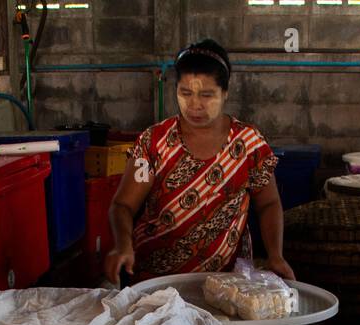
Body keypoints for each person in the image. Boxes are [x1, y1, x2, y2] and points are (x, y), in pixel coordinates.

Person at [103, 39, 294, 285]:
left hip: (223, 283)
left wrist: (275, 255)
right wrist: (122, 245)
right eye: (185, 93)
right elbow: (123, 205)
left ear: (225, 92)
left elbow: (268, 203)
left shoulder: (248, 144)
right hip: (155, 280)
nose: (195, 105)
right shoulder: (154, 142)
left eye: (207, 95)